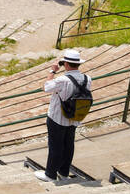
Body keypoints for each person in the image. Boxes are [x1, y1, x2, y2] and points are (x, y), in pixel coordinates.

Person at [38, 50, 92, 182]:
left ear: (66, 64)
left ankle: (50, 174)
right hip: (75, 117)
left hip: (57, 117)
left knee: (55, 146)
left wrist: (52, 71)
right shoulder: (87, 78)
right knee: (68, 145)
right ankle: (64, 172)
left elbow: (46, 87)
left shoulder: (63, 80)